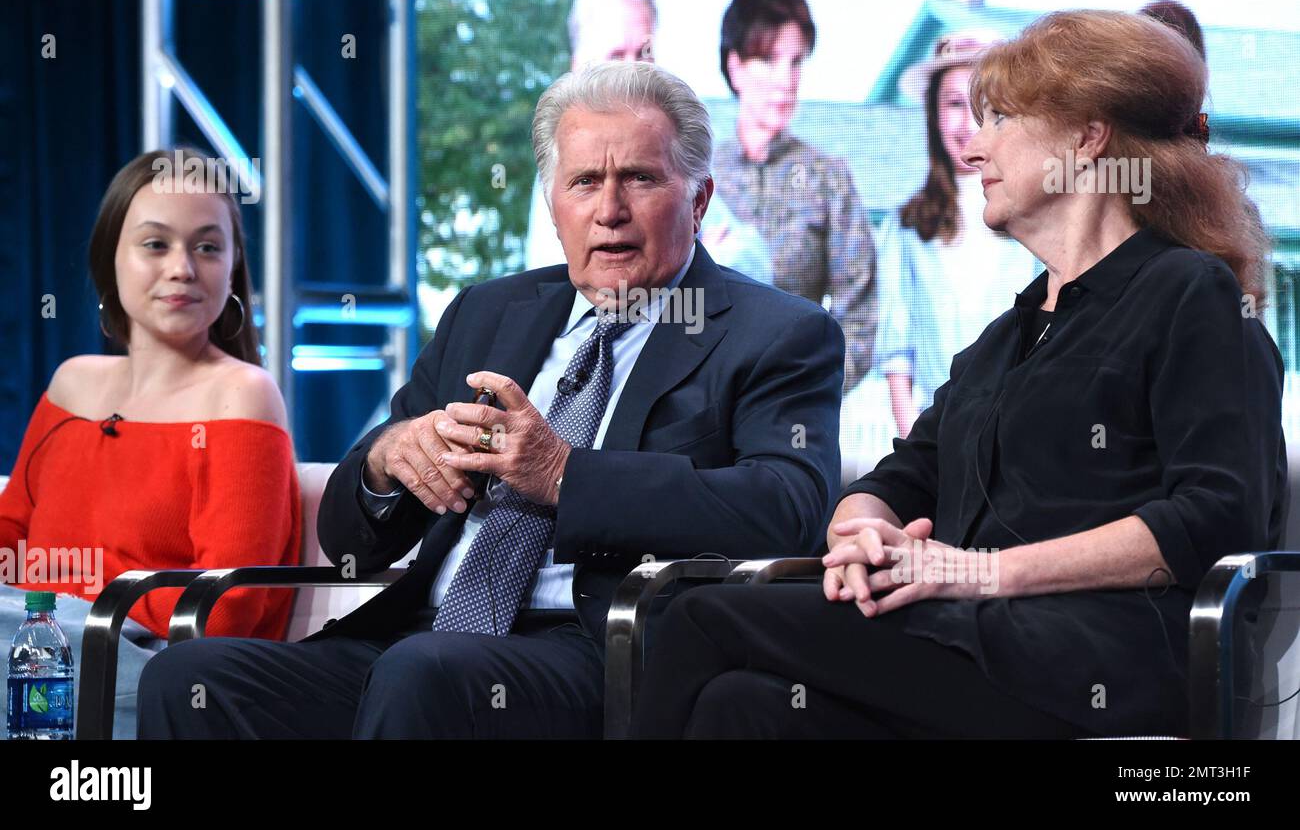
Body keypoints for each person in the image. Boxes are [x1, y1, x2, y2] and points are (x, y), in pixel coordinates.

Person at [136, 62, 844, 740]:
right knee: (190, 674)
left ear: (698, 199)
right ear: (552, 204)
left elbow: (785, 508)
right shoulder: (487, 312)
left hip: (604, 655)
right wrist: (390, 462)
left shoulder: (775, 333)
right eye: (585, 181)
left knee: (425, 675)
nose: (609, 211)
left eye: (639, 178)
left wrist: (564, 474)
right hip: (424, 633)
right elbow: (353, 536)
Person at [629, 10, 1287, 739]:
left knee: (690, 613)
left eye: (1000, 117)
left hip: (1094, 657)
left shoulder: (1190, 294)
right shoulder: (1006, 339)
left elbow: (1216, 517)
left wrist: (981, 573)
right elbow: (895, 480)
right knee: (742, 709)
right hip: (970, 641)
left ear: (1087, 136)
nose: (974, 148)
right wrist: (862, 537)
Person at [0, 149, 301, 738]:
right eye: (156, 244)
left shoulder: (242, 394)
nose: (183, 268)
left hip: (150, 664)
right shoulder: (72, 383)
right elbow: (11, 536)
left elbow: (225, 610)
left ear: (234, 266)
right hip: (32, 637)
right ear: (111, 259)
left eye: (208, 247)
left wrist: (69, 603)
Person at [525, 0, 771, 282]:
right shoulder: (561, 165)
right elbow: (570, 289)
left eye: (644, 53)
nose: (634, 71)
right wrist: (690, 253)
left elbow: (756, 262)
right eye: (616, 55)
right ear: (579, 66)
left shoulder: (677, 148)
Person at [713, 0, 876, 392]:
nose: (786, 79)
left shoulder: (829, 178)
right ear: (735, 66)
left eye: (796, 61)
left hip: (793, 418)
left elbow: (859, 314)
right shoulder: (694, 175)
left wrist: (807, 395)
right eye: (768, 60)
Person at [876, 32, 1039, 436]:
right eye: (952, 104)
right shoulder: (907, 226)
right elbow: (897, 350)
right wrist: (914, 443)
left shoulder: (1036, 220)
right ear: (933, 114)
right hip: (939, 437)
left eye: (982, 107)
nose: (966, 121)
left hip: (1020, 430)